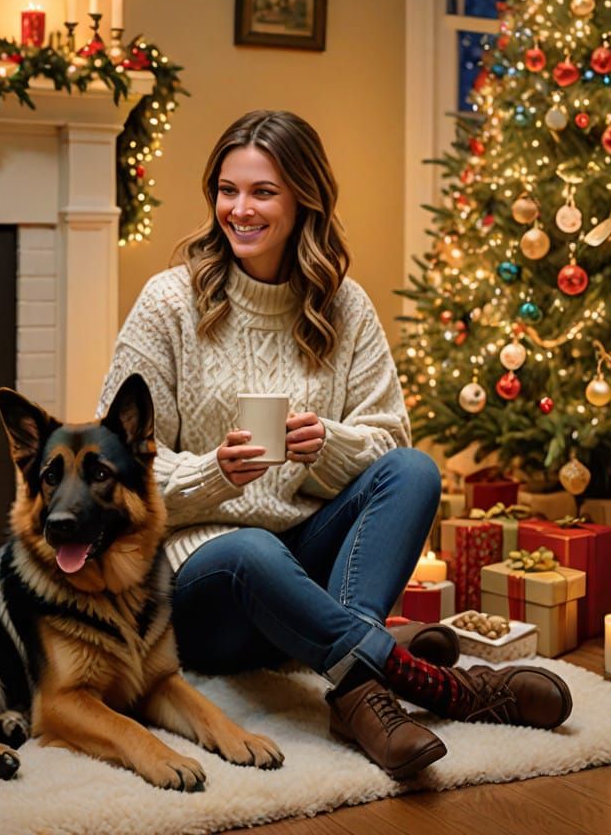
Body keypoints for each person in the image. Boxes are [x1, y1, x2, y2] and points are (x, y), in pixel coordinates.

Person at [97, 110, 571, 779]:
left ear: (303, 199)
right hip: (200, 584)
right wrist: (213, 474)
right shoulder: (169, 303)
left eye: (262, 192)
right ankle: (440, 684)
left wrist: (329, 444)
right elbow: (111, 468)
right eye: (227, 190)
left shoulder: (342, 306)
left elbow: (390, 440)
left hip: (302, 559)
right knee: (251, 548)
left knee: (414, 471)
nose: (240, 209)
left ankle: (354, 684)